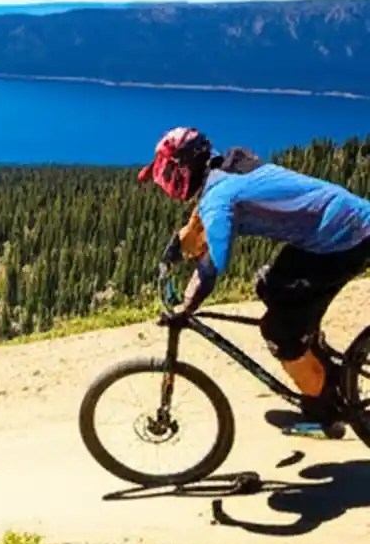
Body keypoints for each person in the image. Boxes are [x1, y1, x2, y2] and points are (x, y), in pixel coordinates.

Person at [138, 127, 370, 434]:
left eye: (169, 172)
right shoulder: (226, 169)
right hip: (331, 232)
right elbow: (197, 224)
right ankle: (316, 353)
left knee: (279, 332)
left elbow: (214, 262)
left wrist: (188, 303)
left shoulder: (220, 195)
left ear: (186, 168)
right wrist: (175, 250)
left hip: (343, 242)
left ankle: (325, 412)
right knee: (270, 286)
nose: (166, 181)